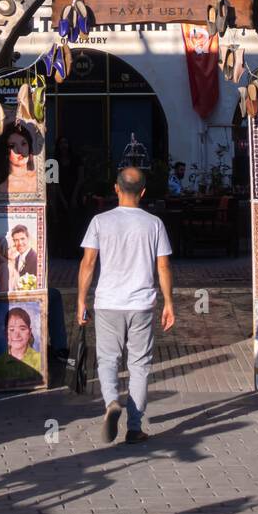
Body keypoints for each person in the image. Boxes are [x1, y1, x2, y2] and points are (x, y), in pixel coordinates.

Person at [77, 166, 175, 445]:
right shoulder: (154, 223)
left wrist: (81, 300)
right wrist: (169, 302)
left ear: (116, 189)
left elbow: (88, 263)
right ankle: (134, 427)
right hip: (141, 305)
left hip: (108, 302)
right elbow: (164, 266)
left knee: (108, 359)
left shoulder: (100, 221)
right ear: (143, 192)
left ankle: (111, 403)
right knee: (140, 365)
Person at [0, 306, 43, 384]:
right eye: (12, 330)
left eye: (22, 329)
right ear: (5, 333)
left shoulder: (40, 360)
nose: (16, 335)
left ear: (29, 332)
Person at [0, 124, 38, 197]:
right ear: (5, 152)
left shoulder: (38, 179)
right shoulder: (2, 188)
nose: (20, 150)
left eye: (23, 144)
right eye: (12, 146)